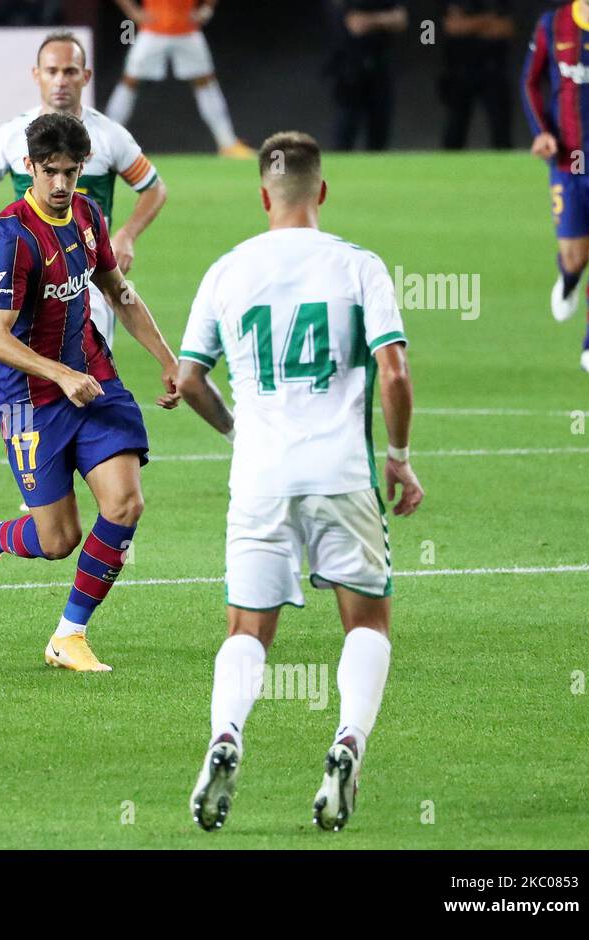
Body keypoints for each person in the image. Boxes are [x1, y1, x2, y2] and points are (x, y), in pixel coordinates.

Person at [177, 131, 423, 832]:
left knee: (248, 628)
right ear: (321, 191)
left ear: (263, 196)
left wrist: (236, 431)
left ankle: (226, 734)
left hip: (259, 474)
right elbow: (396, 373)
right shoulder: (357, 267)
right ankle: (347, 742)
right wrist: (399, 455)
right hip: (340, 472)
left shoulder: (228, 270)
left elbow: (188, 379)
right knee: (367, 620)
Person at [0, 112, 180, 673]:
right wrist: (57, 373)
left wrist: (168, 359)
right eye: (49, 172)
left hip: (93, 381)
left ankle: (68, 636)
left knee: (125, 503)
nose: (60, 185)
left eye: (70, 173)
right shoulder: (10, 235)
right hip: (32, 401)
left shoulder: (87, 214)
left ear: (83, 169)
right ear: (28, 166)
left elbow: (117, 291)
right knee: (58, 540)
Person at [0, 30, 167, 351]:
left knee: (89, 368)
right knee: (35, 371)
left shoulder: (109, 136)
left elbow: (153, 188)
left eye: (70, 71)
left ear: (85, 76)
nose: (61, 80)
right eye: (52, 71)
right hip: (31, 273)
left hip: (87, 275)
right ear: (37, 75)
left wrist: (127, 235)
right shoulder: (12, 135)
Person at [522, 0, 589, 373]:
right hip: (569, 158)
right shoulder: (553, 25)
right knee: (574, 256)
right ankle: (568, 278)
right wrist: (542, 133)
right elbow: (531, 81)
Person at [104, 0, 253, 158]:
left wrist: (207, 8)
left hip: (187, 31)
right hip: (153, 31)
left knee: (206, 83)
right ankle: (106, 142)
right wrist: (133, 12)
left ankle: (228, 144)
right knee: (129, 82)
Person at [325, 0, 408, 152]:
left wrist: (370, 19)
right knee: (345, 130)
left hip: (380, 65)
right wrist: (383, 19)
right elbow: (354, 24)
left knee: (379, 131)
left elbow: (400, 19)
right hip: (349, 67)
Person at [438, 1, 516, 150]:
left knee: (501, 131)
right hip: (458, 70)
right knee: (455, 129)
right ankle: (448, 171)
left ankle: (502, 171)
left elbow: (506, 28)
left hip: (494, 69)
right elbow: (451, 27)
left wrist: (466, 23)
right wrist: (487, 21)